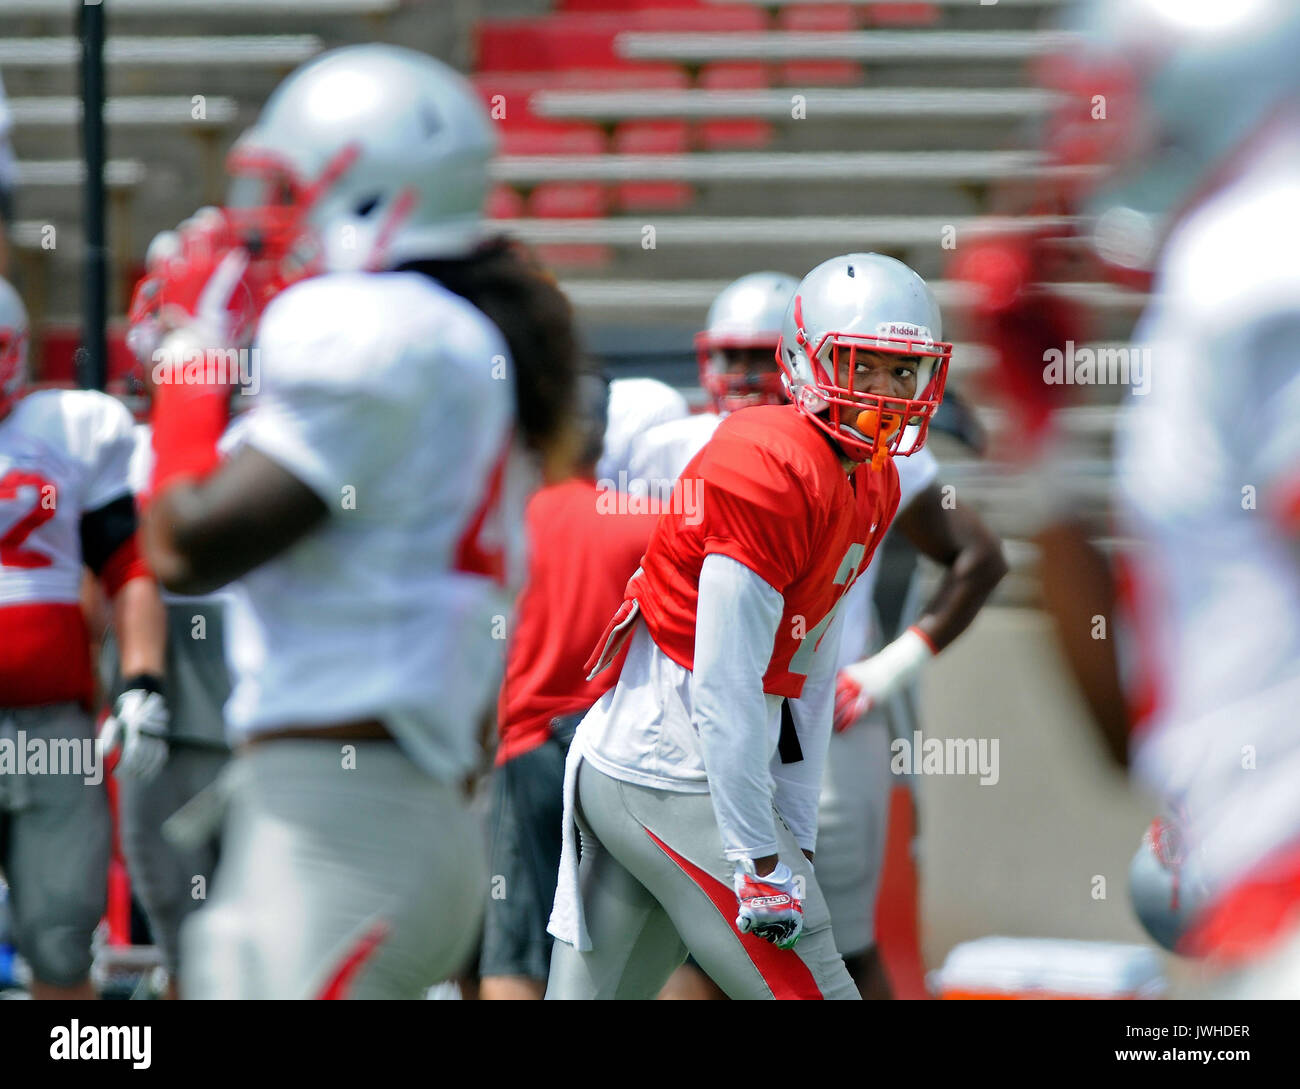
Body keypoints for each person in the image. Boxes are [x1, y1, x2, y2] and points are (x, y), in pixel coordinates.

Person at [134, 44, 579, 999]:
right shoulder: (449, 331)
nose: (268, 223)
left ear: (370, 190)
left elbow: (181, 543)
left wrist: (192, 362)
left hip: (350, 820)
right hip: (360, 806)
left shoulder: (371, 327)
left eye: (287, 189)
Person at [955, 0, 1300, 994]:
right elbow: (1127, 730)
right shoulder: (1210, 279)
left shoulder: (1258, 264)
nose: (1085, 134)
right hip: (1259, 905)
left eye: (1111, 97)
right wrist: (1038, 449)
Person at [546, 253, 950, 1000]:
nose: (889, 393)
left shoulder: (873, 478)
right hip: (667, 767)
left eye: (905, 371)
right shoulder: (766, 463)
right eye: (868, 368)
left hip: (674, 767)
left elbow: (812, 658)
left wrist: (792, 814)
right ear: (809, 358)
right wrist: (760, 856)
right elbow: (726, 679)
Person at [0, 275, 169, 999]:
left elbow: (127, 564)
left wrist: (141, 681)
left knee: (62, 937)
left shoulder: (68, 428)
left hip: (54, 725)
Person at [480, 372, 663, 1000]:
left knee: (517, 948)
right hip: (620, 761)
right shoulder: (646, 524)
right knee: (622, 954)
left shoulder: (506, 521)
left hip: (526, 751)